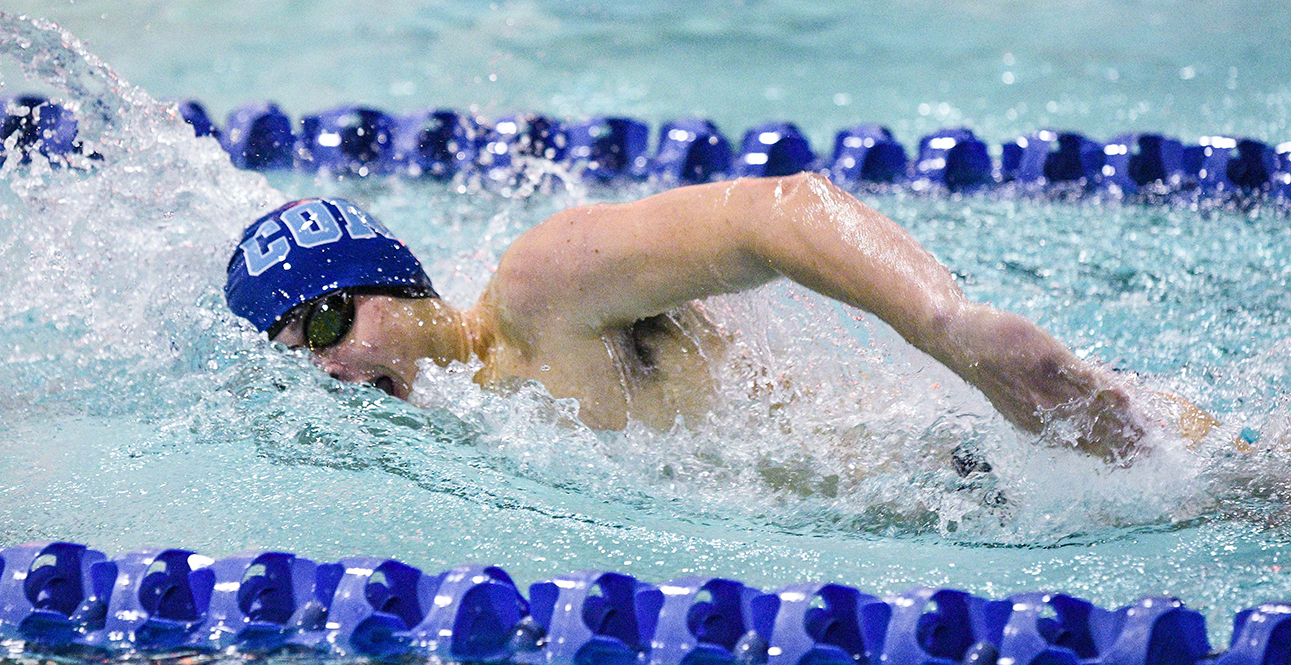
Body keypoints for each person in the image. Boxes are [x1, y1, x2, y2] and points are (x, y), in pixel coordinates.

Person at [225, 173, 1187, 460]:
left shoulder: (540, 293)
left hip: (984, 455)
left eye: (323, 326)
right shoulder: (470, 422)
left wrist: (948, 326)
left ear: (396, 284)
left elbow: (768, 212)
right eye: (291, 354)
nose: (324, 369)